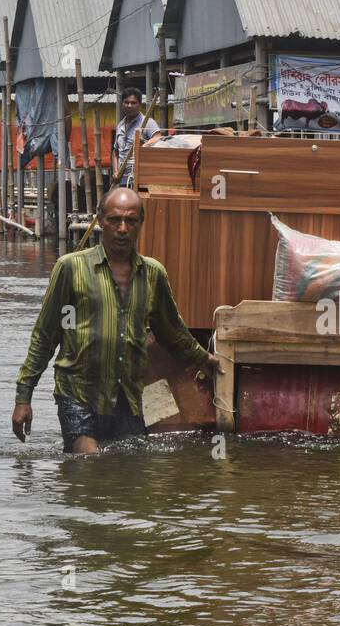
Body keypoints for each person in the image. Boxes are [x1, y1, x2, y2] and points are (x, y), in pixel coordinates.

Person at [12, 187, 220, 453]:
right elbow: (45, 335)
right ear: (100, 220)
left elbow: (173, 333)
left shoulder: (153, 274)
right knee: (89, 462)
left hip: (128, 398)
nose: (122, 228)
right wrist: (23, 397)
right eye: (114, 220)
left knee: (126, 474)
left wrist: (206, 360)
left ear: (140, 224)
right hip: (78, 394)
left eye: (131, 221)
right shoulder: (71, 268)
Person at [112, 87, 160, 188]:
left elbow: (158, 139)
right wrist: (116, 171)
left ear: (139, 104)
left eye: (133, 103)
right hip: (122, 179)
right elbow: (116, 152)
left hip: (140, 178)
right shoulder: (120, 125)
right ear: (122, 104)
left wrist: (144, 144)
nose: (129, 105)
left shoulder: (147, 122)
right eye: (126, 102)